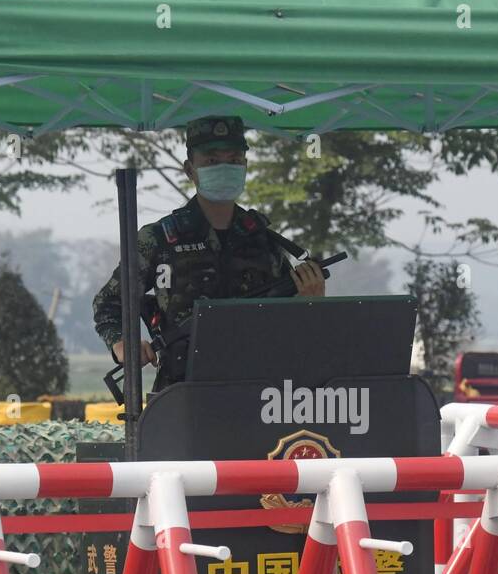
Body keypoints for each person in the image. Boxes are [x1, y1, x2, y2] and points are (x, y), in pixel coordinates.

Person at [93, 116, 326, 390]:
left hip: (258, 390)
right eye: (212, 161)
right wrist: (123, 343)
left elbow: (288, 325)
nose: (225, 168)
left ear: (246, 167)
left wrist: (309, 302)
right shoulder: (159, 238)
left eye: (235, 160)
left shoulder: (263, 239)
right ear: (190, 170)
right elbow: (109, 303)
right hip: (182, 390)